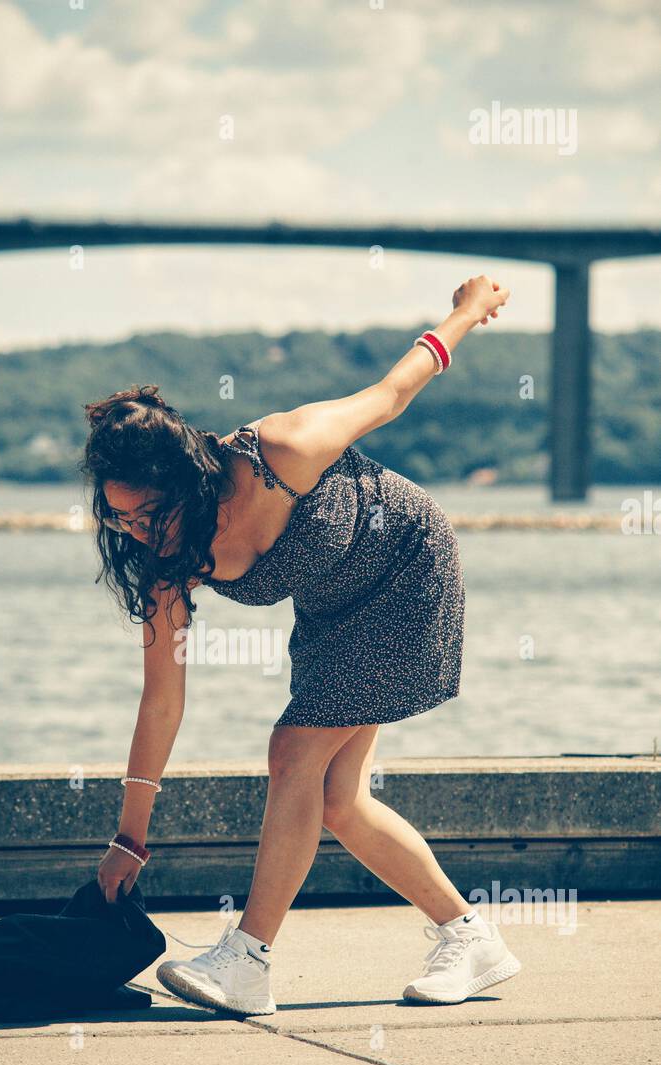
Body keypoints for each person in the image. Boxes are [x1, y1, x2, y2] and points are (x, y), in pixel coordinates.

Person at [83, 274, 520, 1016]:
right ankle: (470, 938)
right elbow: (162, 700)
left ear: (186, 480)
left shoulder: (280, 451)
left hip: (410, 565)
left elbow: (391, 393)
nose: (132, 530)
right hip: (335, 609)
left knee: (294, 753)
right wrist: (130, 840)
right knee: (339, 802)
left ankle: (247, 961)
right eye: (116, 516)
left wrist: (465, 315)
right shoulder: (163, 561)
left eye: (145, 513)